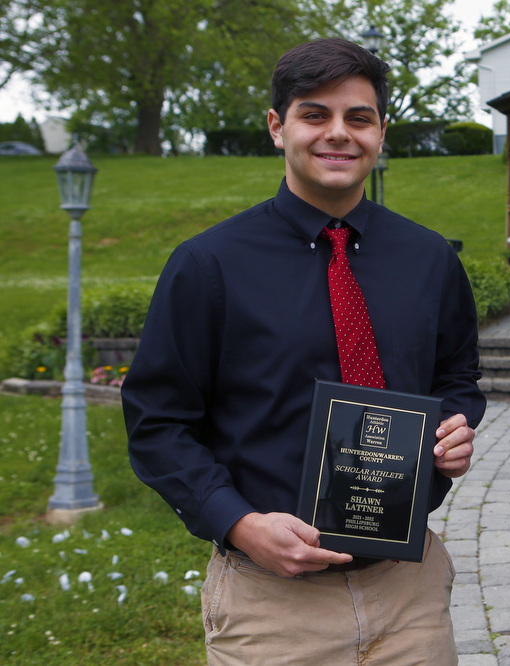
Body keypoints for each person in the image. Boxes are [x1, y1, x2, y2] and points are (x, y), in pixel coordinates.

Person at [122, 38, 485, 666]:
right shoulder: (209, 267)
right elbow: (157, 420)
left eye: (359, 117)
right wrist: (237, 523)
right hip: (272, 608)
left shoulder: (431, 261)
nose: (338, 134)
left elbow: (456, 377)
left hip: (409, 596)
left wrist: (456, 427)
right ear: (277, 126)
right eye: (314, 114)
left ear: (381, 131)